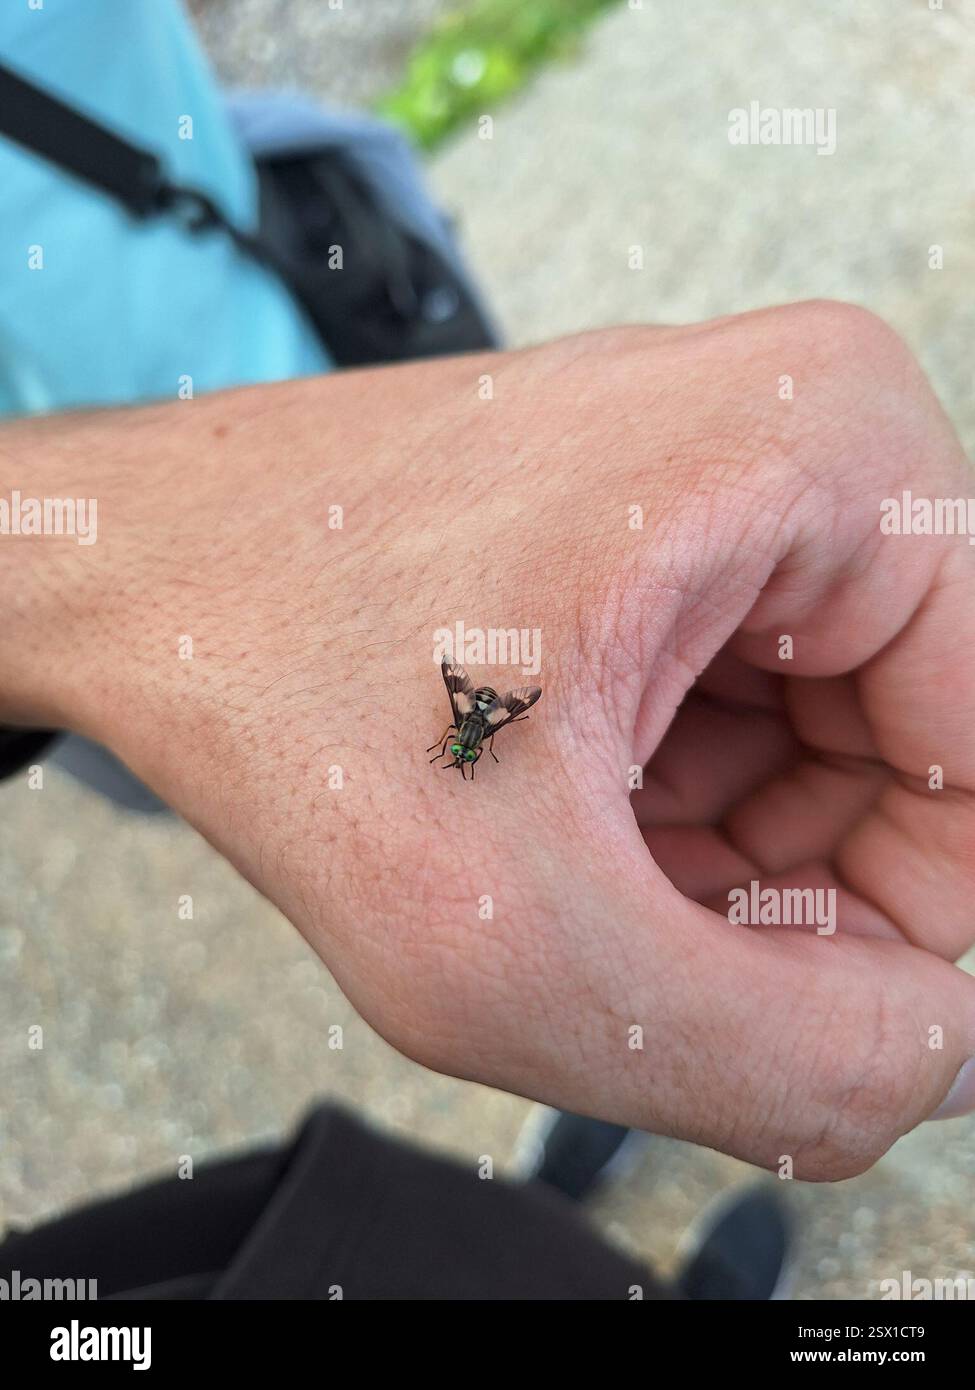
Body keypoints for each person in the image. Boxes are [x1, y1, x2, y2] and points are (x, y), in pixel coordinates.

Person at [1, 2, 973, 1298]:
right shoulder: (465, 723)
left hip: (232, 316)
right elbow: (469, 727)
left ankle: (535, 1213)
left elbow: (478, 713)